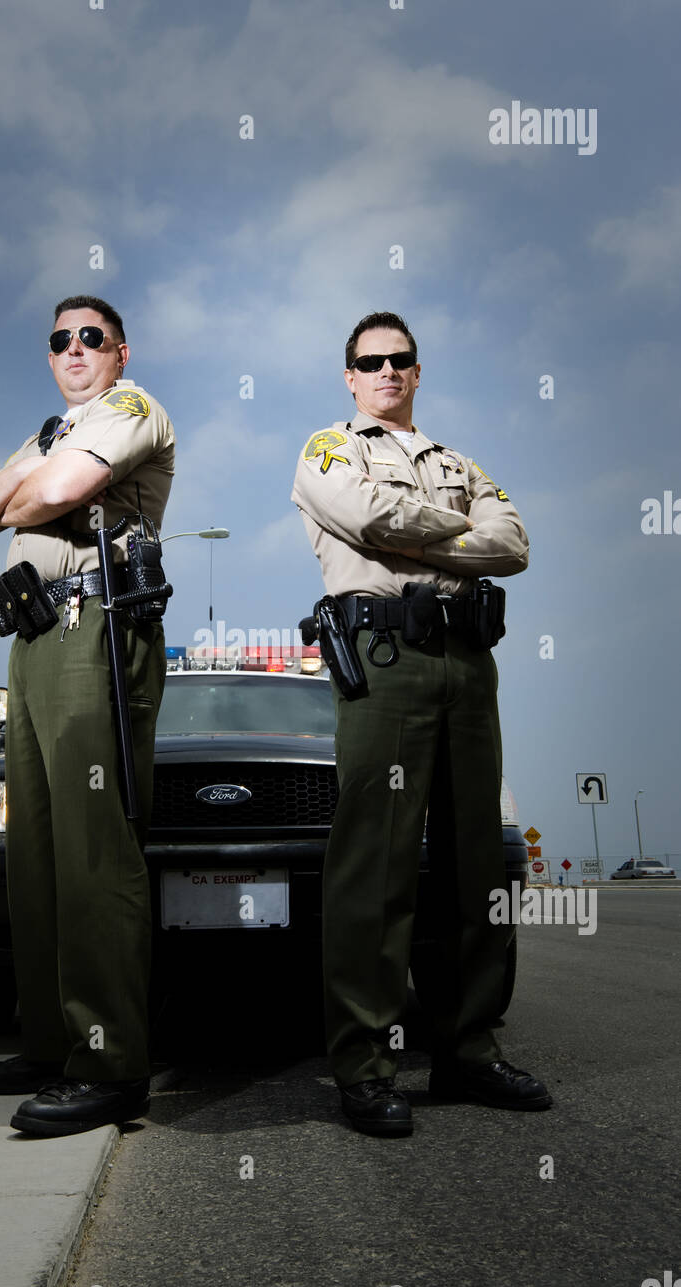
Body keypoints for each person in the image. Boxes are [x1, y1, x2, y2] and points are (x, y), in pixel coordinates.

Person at [292, 310, 550, 1137]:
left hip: (468, 665)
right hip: (386, 659)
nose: (388, 373)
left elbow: (514, 545)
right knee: (377, 866)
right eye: (372, 362)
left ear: (416, 369)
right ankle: (364, 1068)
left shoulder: (457, 461)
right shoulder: (328, 449)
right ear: (349, 375)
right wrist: (461, 537)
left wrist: (444, 540)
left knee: (476, 859)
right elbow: (372, 521)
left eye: (401, 360)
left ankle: (468, 1051)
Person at [0, 295, 175, 1137]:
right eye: (59, 340)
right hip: (31, 638)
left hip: (97, 629)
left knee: (93, 852)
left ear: (119, 350)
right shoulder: (47, 432)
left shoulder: (131, 408)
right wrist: (25, 483)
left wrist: (30, 489)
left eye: (91, 337)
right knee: (34, 858)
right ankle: (51, 1043)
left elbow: (65, 489)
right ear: (48, 358)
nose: (74, 348)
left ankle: (111, 1065)